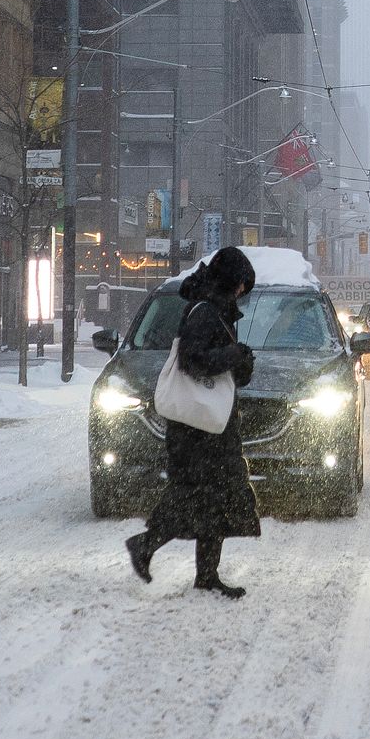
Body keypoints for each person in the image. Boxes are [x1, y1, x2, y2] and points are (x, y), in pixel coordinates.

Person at [126, 246, 260, 598]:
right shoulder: (204, 312)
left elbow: (221, 369)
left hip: (210, 428)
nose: (243, 292)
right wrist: (234, 354)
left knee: (213, 502)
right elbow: (193, 360)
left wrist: (240, 360)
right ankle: (145, 545)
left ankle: (205, 575)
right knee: (194, 498)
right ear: (231, 281)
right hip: (196, 432)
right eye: (242, 284)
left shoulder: (217, 310)